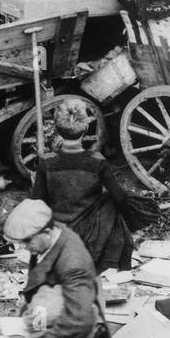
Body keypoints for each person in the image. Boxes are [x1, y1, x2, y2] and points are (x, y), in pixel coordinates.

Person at [4, 198, 110, 338]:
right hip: (63, 336)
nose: (24, 248)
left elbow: (79, 319)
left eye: (27, 241)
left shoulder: (73, 263)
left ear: (45, 232)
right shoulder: (52, 235)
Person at [29, 98, 135, 270]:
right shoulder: (97, 161)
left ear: (56, 129)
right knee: (113, 199)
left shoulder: (46, 162)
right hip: (90, 234)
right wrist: (129, 220)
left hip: (57, 233)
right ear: (86, 128)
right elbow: (120, 199)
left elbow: (35, 203)